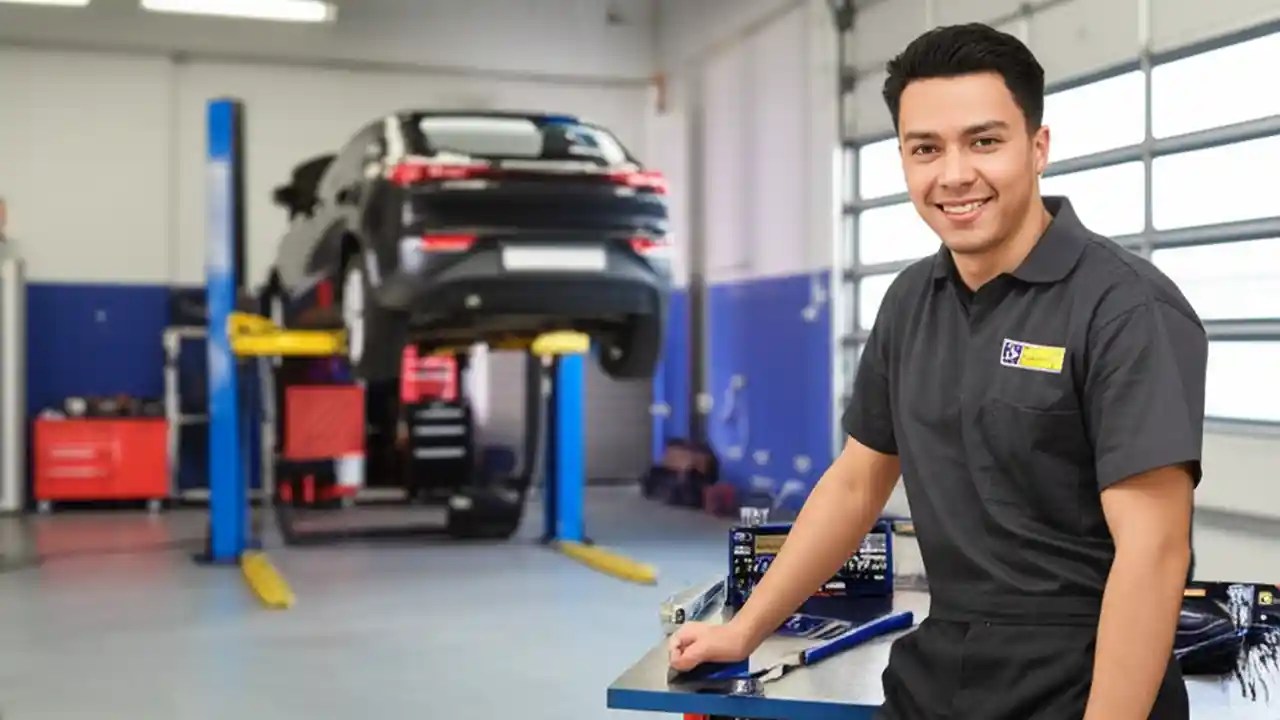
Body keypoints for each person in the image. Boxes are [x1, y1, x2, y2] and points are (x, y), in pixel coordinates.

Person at [667, 22, 1206, 720]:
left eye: (984, 141)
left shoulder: (1125, 308)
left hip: (1080, 682)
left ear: (1038, 148)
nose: (954, 174)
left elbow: (1155, 551)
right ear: (903, 160)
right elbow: (856, 484)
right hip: (936, 676)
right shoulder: (911, 302)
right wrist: (744, 630)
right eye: (926, 149)